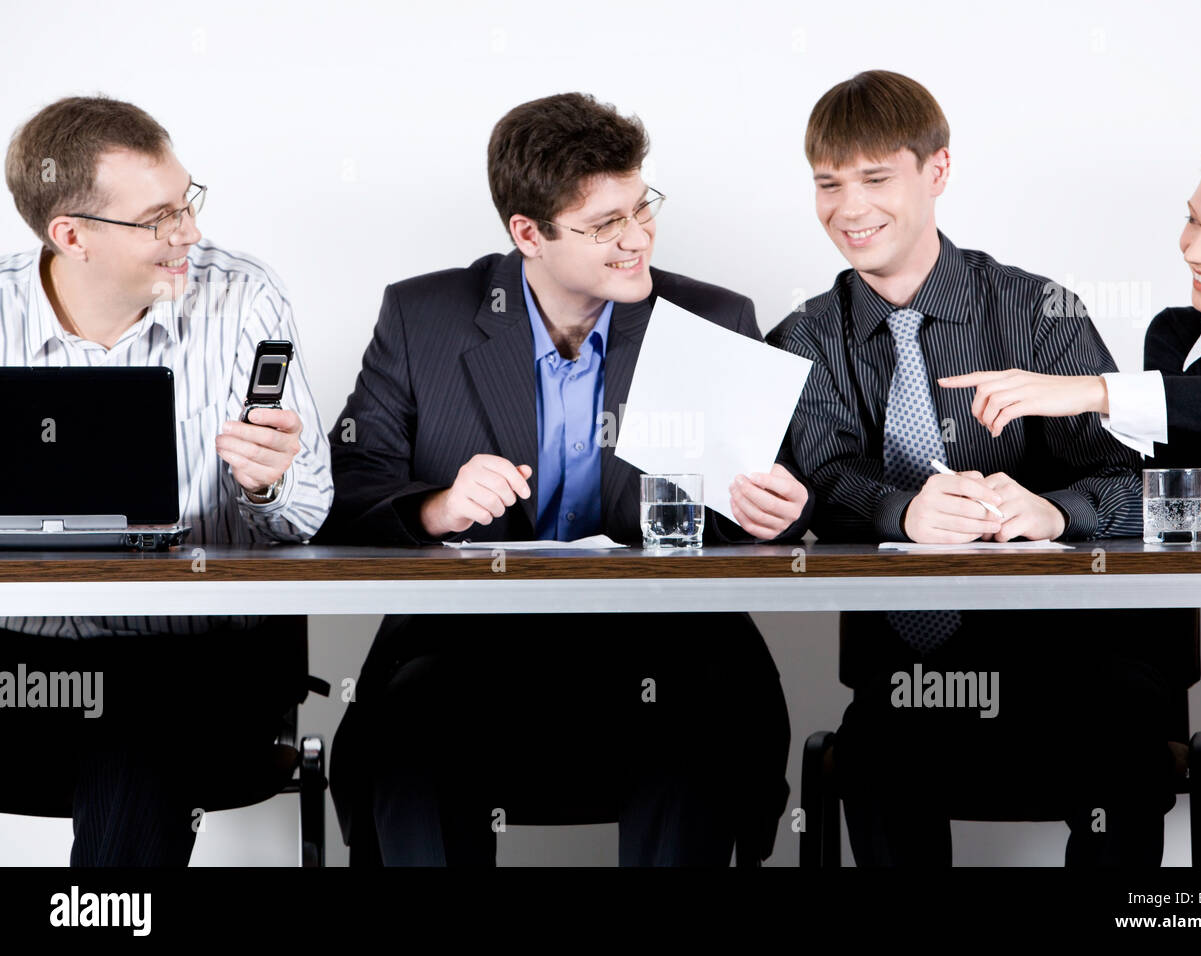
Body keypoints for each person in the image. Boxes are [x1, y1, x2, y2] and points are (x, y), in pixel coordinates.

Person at [318, 92, 813, 866]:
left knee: (693, 732)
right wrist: (439, 507)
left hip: (662, 648)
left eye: (641, 208)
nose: (636, 239)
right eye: (603, 224)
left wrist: (771, 512)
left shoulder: (711, 319)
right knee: (411, 737)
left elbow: (742, 514)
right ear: (528, 234)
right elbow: (343, 482)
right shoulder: (424, 318)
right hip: (466, 652)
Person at [766, 70, 1187, 865]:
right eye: (828, 184)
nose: (849, 209)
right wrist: (901, 512)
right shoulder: (805, 338)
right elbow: (817, 484)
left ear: (938, 173)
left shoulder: (1038, 311)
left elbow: (1131, 482)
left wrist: (1053, 513)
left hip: (1069, 657)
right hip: (908, 674)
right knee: (875, 759)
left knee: (1125, 749)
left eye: (875, 178)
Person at [0, 96, 332, 865]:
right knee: (117, 724)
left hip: (203, 667)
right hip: (24, 667)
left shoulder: (243, 294)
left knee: (131, 732)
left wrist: (267, 486)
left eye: (187, 203)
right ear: (71, 235)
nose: (191, 233)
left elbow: (308, 515)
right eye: (159, 218)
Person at [942, 122, 1201, 788]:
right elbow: (1177, 496)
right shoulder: (1178, 335)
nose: (1193, 248)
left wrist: (1092, 391)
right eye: (1193, 221)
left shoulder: (1164, 380)